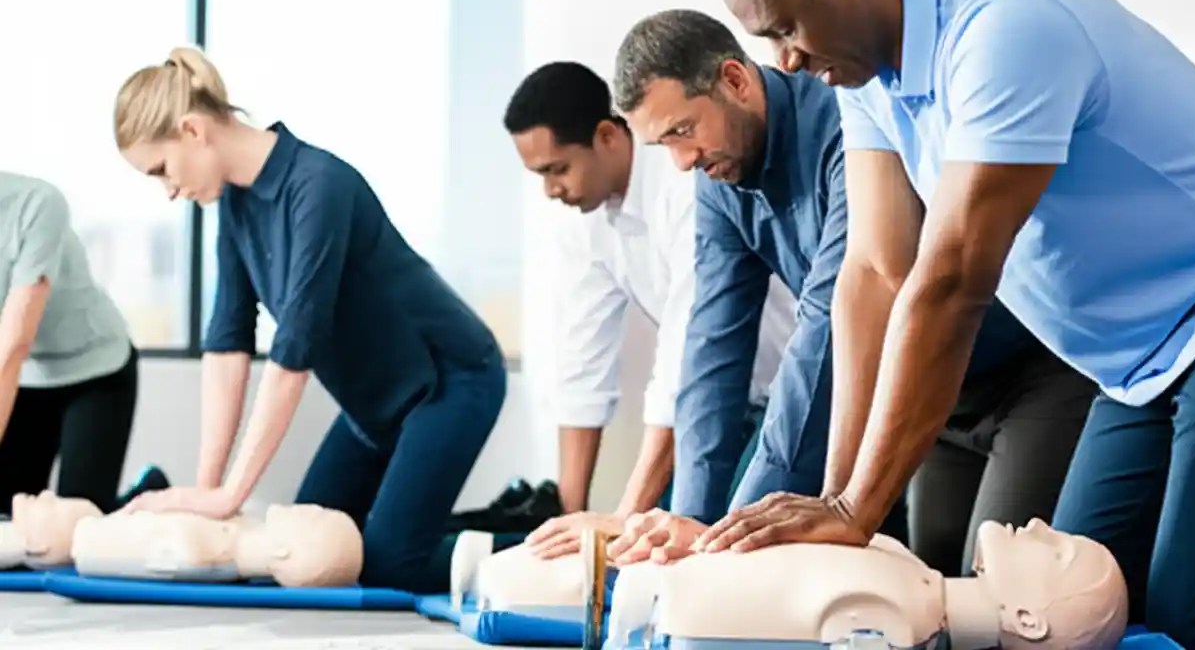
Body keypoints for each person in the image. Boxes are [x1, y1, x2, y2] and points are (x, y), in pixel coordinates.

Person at [699, 0, 1195, 647]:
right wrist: (836, 503)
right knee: (1063, 617)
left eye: (786, 29)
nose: (784, 60)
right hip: (1137, 368)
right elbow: (877, 273)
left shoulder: (1008, 27)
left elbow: (950, 283)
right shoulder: (867, 77)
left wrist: (858, 508)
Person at [607, 8, 1094, 576]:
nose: (683, 160)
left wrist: (733, 535)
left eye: (684, 130)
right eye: (663, 144)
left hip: (1031, 378)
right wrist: (690, 518)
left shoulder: (846, 123)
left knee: (997, 598)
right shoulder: (719, 179)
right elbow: (713, 347)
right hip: (932, 399)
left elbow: (827, 329)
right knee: (927, 593)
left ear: (735, 81)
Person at [112, 47, 507, 594]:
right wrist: (206, 496)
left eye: (162, 169)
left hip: (452, 380)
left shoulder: (318, 185)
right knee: (304, 552)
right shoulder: (237, 204)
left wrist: (229, 498)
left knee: (389, 565)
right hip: (372, 405)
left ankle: (542, 542)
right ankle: (422, 529)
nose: (170, 190)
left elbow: (294, 350)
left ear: (192, 130)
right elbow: (227, 345)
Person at [502, 61, 795, 559]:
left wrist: (623, 516)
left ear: (607, 136)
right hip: (713, 408)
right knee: (642, 552)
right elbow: (582, 367)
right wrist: (569, 522)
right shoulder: (583, 220)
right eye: (540, 176)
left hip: (787, 395)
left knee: (722, 557)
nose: (551, 190)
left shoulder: (683, 186)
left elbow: (685, 354)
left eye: (558, 169)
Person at [0, 172, 140, 516]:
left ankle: (145, 494)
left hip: (94, 370)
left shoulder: (37, 202)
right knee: (10, 520)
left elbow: (14, 343)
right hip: (26, 378)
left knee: (77, 524)